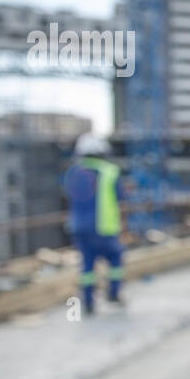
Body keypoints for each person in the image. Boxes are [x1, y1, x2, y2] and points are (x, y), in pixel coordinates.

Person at [63, 133, 126, 315]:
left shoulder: (73, 172)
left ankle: (88, 303)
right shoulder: (109, 171)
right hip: (103, 227)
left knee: (87, 266)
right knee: (115, 258)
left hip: (78, 227)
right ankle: (113, 293)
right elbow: (120, 196)